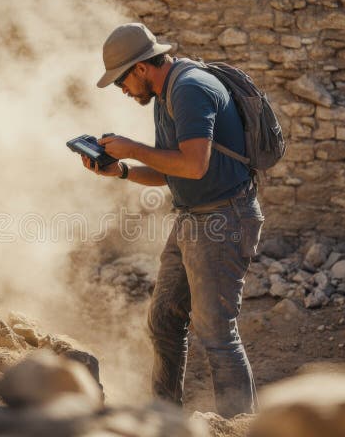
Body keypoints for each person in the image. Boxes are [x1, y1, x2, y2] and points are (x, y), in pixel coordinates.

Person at [81, 23, 262, 417]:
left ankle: (239, 427)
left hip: (223, 220)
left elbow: (194, 166)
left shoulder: (189, 89)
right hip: (193, 220)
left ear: (141, 68)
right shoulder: (166, 94)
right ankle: (165, 419)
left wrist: (133, 147)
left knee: (217, 335)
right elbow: (171, 170)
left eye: (121, 82)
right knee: (164, 321)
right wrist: (122, 170)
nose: (123, 91)